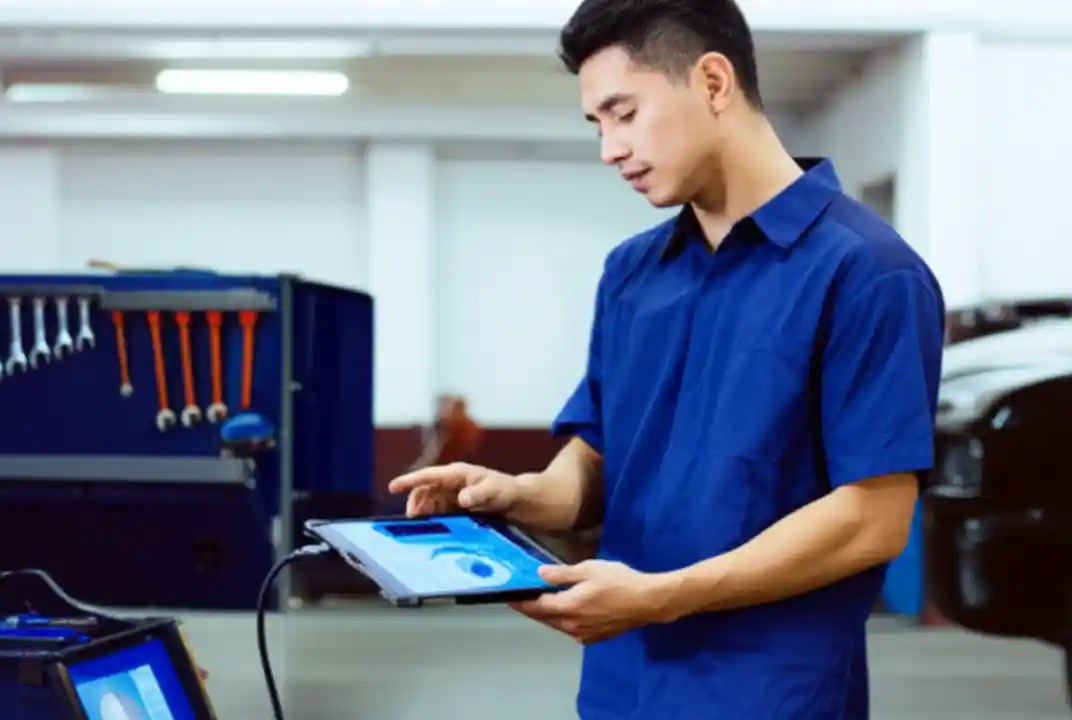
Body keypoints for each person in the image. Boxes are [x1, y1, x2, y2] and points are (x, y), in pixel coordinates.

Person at [388, 0, 946, 717]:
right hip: (623, 685)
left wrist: (662, 597)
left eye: (623, 113)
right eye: (597, 124)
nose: (609, 149)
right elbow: (594, 460)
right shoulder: (632, 273)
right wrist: (516, 493)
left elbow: (874, 518)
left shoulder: (867, 272)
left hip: (770, 692)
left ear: (713, 82)